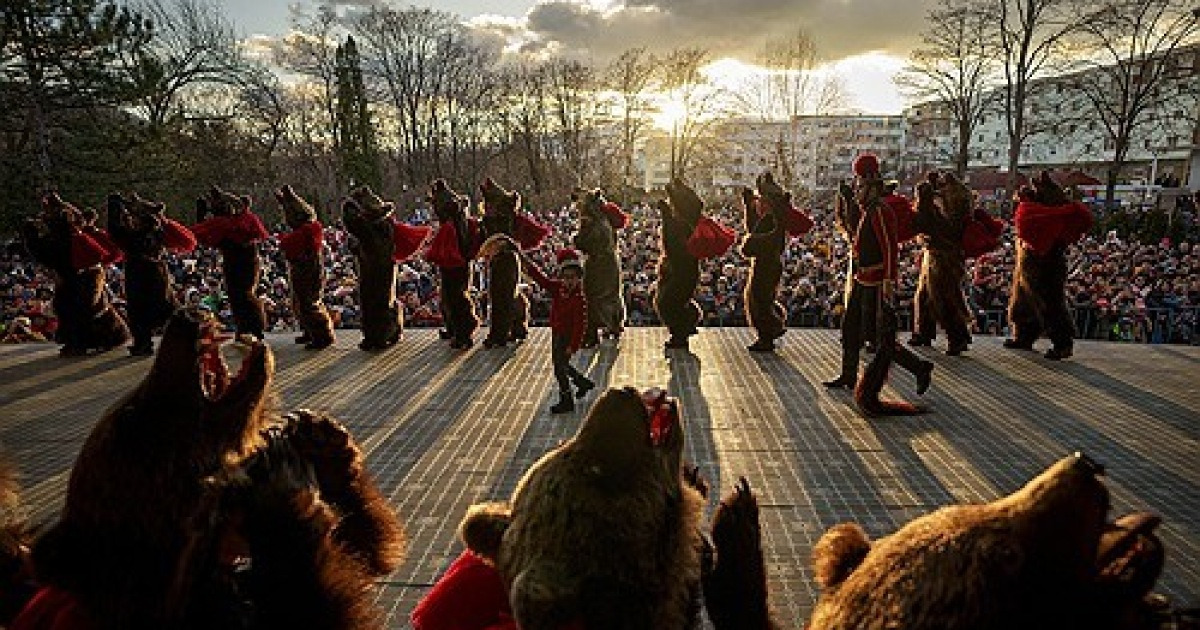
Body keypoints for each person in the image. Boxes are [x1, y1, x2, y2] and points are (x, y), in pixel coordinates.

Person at [824, 154, 933, 416]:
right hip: (862, 279)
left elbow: (889, 248)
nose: (857, 189)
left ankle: (919, 367)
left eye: (859, 185)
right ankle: (848, 375)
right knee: (850, 328)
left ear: (870, 185)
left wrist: (888, 281)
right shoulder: (868, 208)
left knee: (877, 336)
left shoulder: (881, 210)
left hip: (875, 281)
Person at [481, 235, 595, 414]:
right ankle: (582, 382)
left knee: (559, 368)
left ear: (579, 278)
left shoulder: (579, 299)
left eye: (573, 278)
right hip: (556, 334)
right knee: (561, 365)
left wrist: (574, 345)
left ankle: (567, 399)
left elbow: (581, 324)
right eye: (565, 277)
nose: (569, 281)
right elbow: (541, 279)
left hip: (566, 337)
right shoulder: (558, 289)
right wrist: (526, 264)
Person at [908, 172, 973, 355]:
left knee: (944, 298)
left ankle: (957, 337)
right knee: (925, 296)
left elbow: (925, 223)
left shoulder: (950, 208)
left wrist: (924, 200)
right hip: (940, 254)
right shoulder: (958, 200)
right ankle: (924, 333)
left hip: (943, 257)